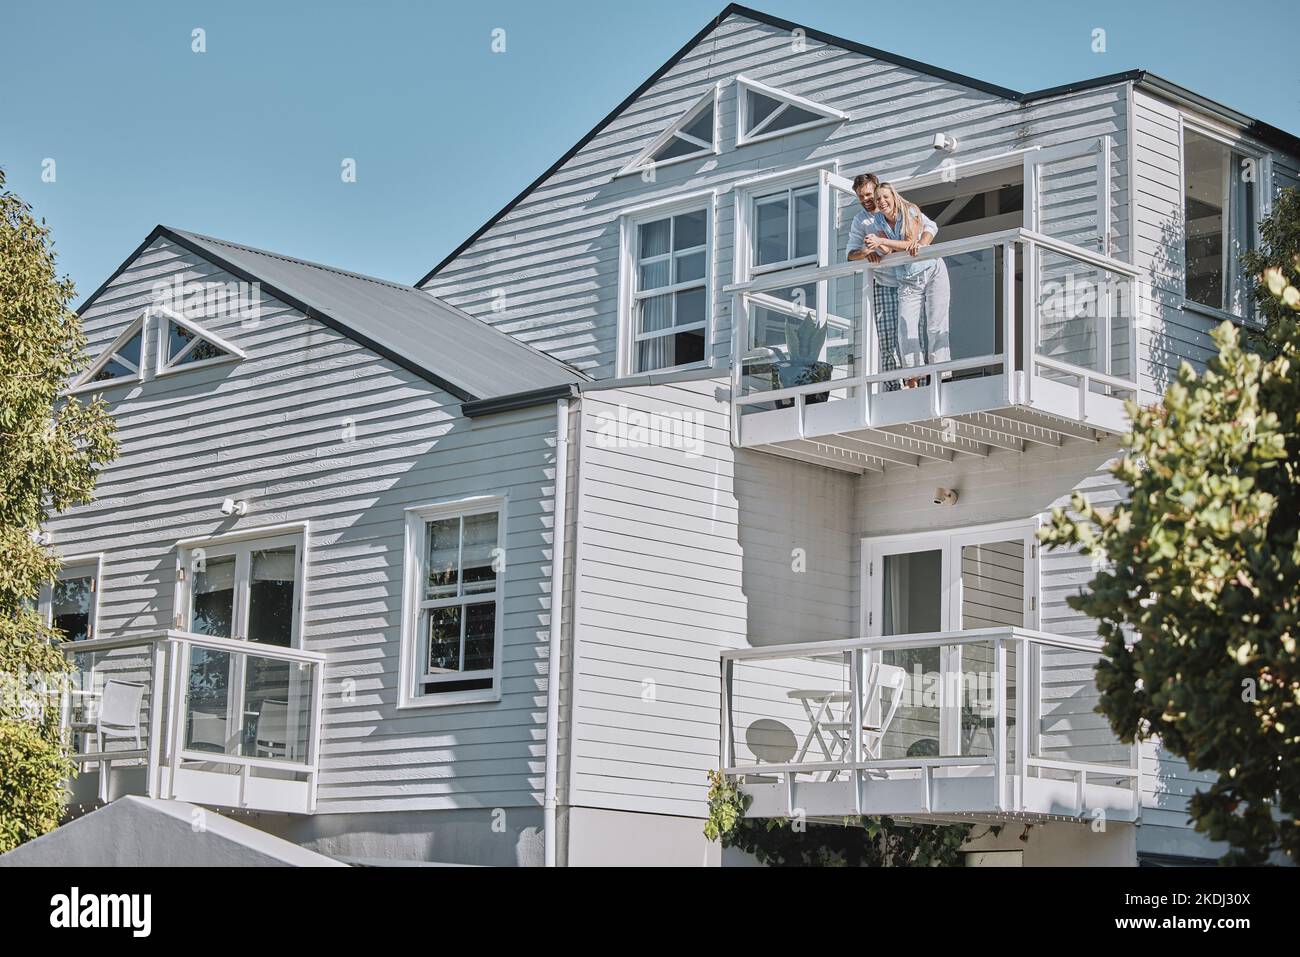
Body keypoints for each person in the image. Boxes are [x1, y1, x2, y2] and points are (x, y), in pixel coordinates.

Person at [845, 174, 940, 389]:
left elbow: (929, 227)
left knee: (912, 331)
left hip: (909, 279)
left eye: (869, 194)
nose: (866, 200)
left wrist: (920, 247)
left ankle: (920, 383)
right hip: (886, 281)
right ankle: (893, 389)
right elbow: (851, 253)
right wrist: (865, 252)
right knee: (888, 338)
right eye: (861, 196)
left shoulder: (901, 208)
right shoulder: (861, 220)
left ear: (879, 192)